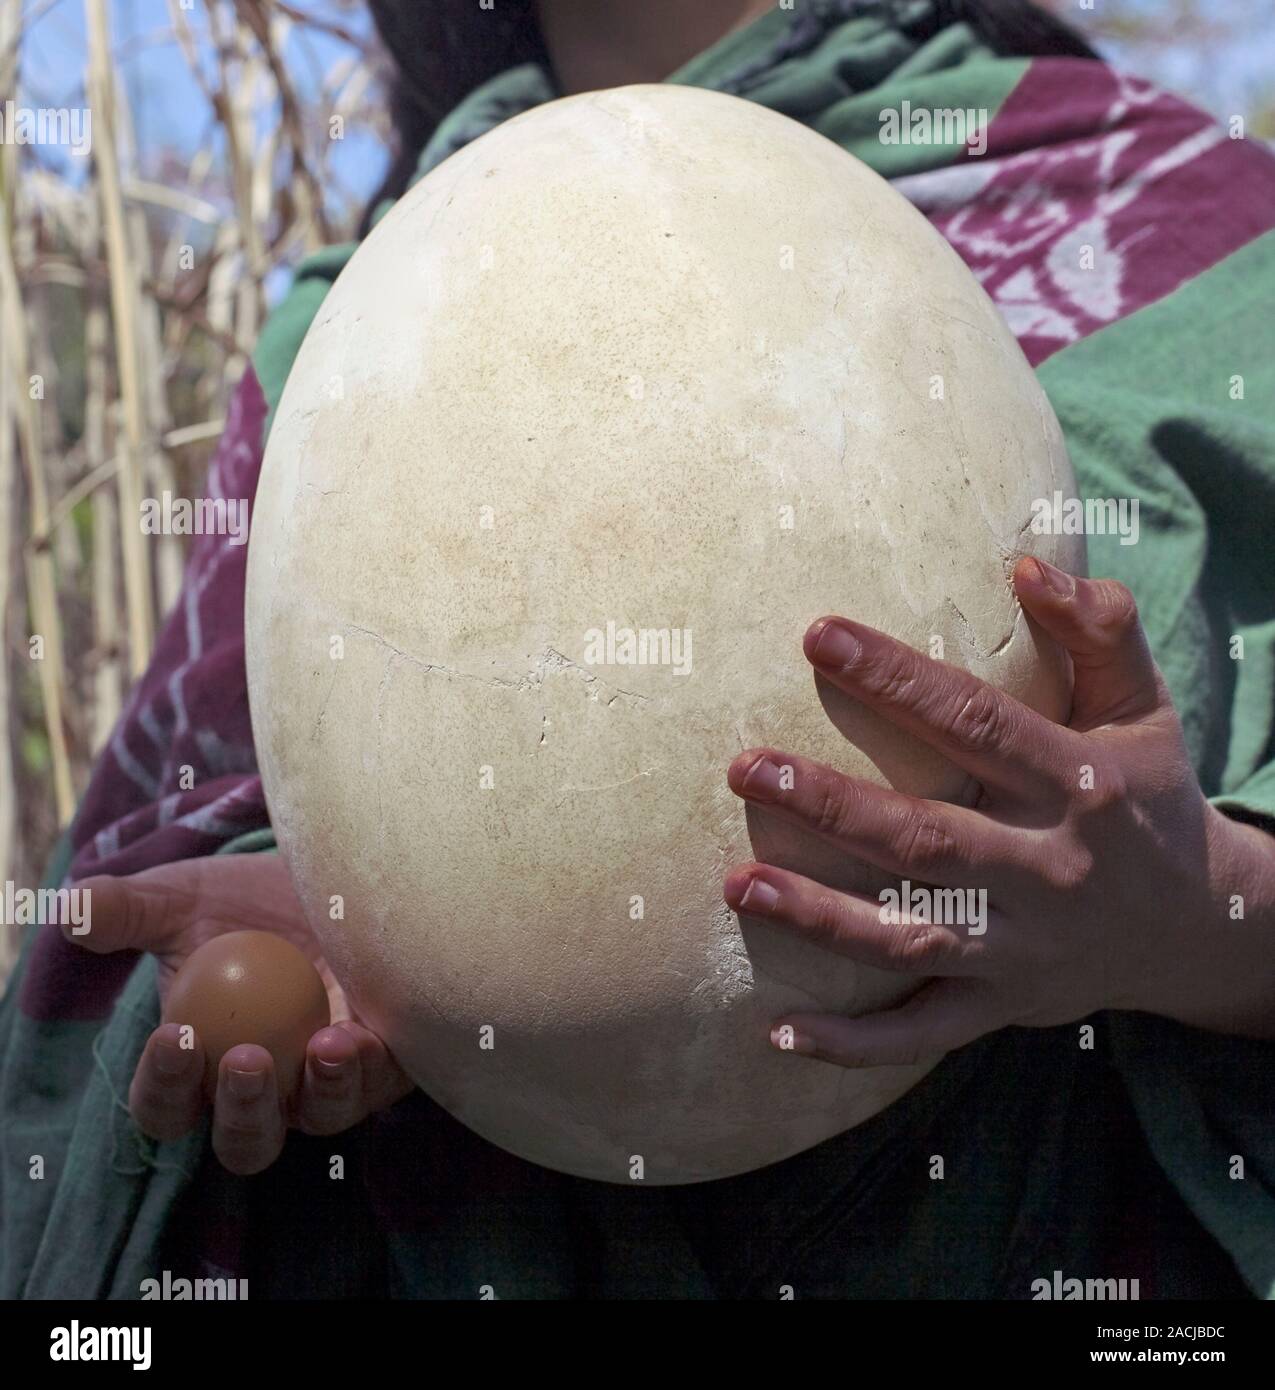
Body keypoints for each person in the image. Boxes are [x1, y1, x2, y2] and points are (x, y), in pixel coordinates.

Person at [3, 0, 1275, 1299]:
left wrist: (1198, 910)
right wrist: (350, 915)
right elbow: (162, 889)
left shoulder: (1207, 232)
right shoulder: (337, 339)